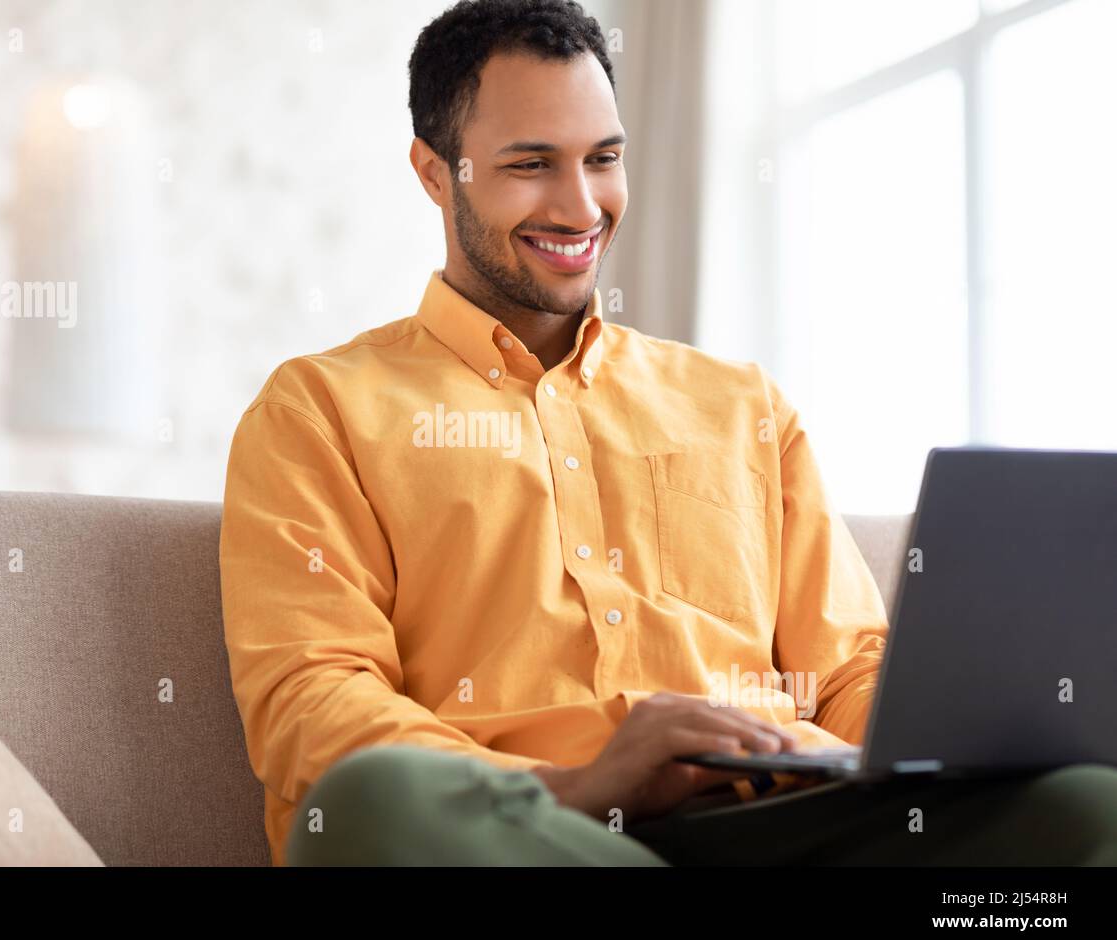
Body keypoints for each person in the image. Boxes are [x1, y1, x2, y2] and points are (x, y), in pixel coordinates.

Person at [218, 0, 1117, 866]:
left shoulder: (743, 404)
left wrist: (962, 735)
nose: (580, 207)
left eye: (602, 158)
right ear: (432, 171)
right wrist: (580, 785)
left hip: (781, 822)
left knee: (1085, 804)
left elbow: (844, 676)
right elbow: (315, 706)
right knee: (368, 806)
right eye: (531, 164)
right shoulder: (318, 410)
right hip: (535, 831)